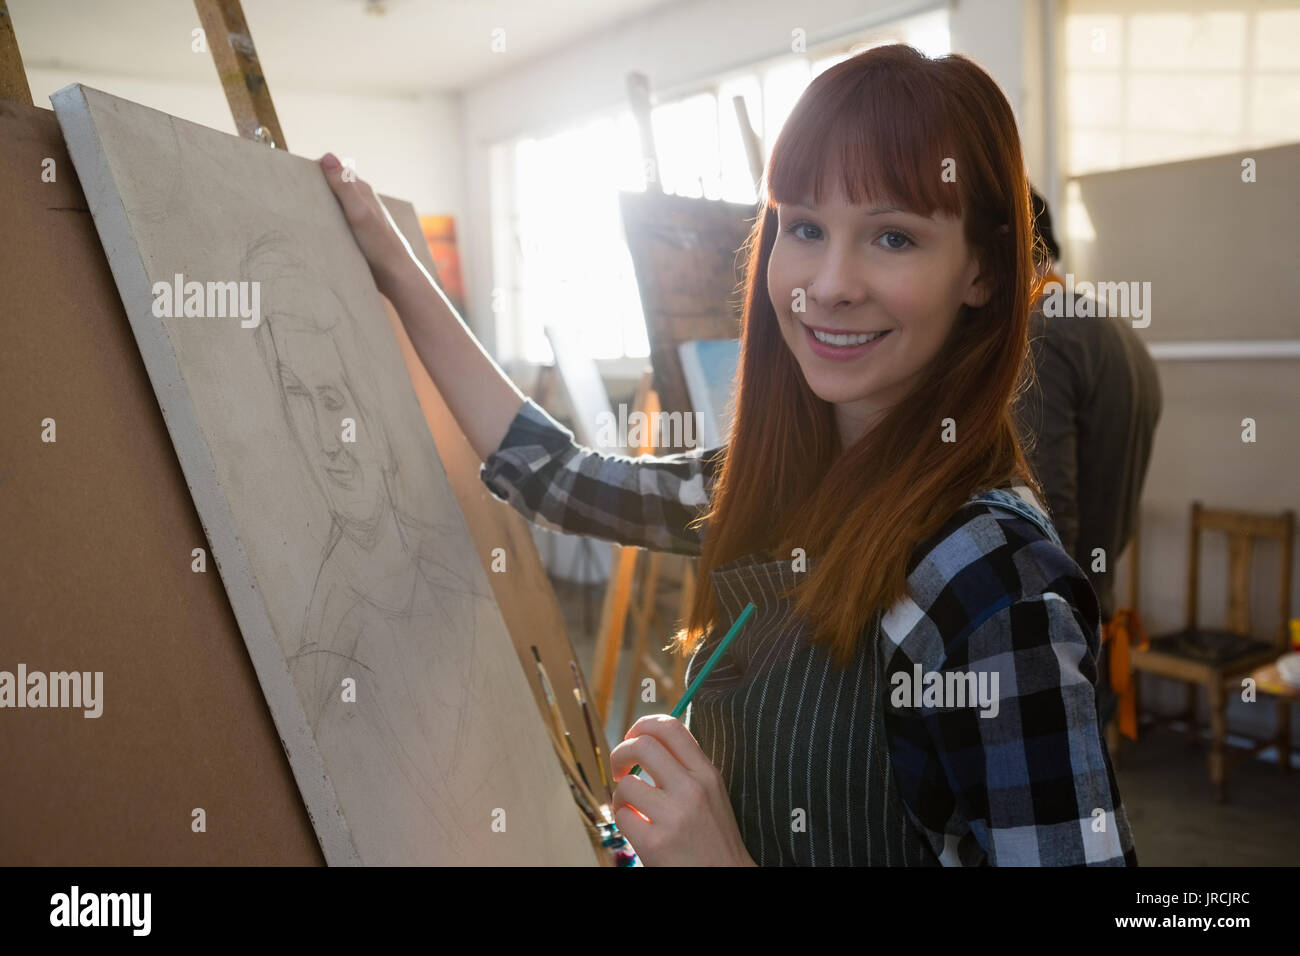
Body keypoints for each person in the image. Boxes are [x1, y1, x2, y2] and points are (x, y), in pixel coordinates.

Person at [320, 43, 1137, 866]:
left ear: (985, 273)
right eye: (806, 226)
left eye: (893, 237)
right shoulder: (778, 483)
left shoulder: (995, 588)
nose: (829, 283)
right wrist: (396, 263)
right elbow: (554, 476)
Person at [1016, 188, 1162, 734]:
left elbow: (1050, 507)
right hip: (1096, 609)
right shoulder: (1115, 331)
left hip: (1054, 633)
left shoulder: (1041, 334)